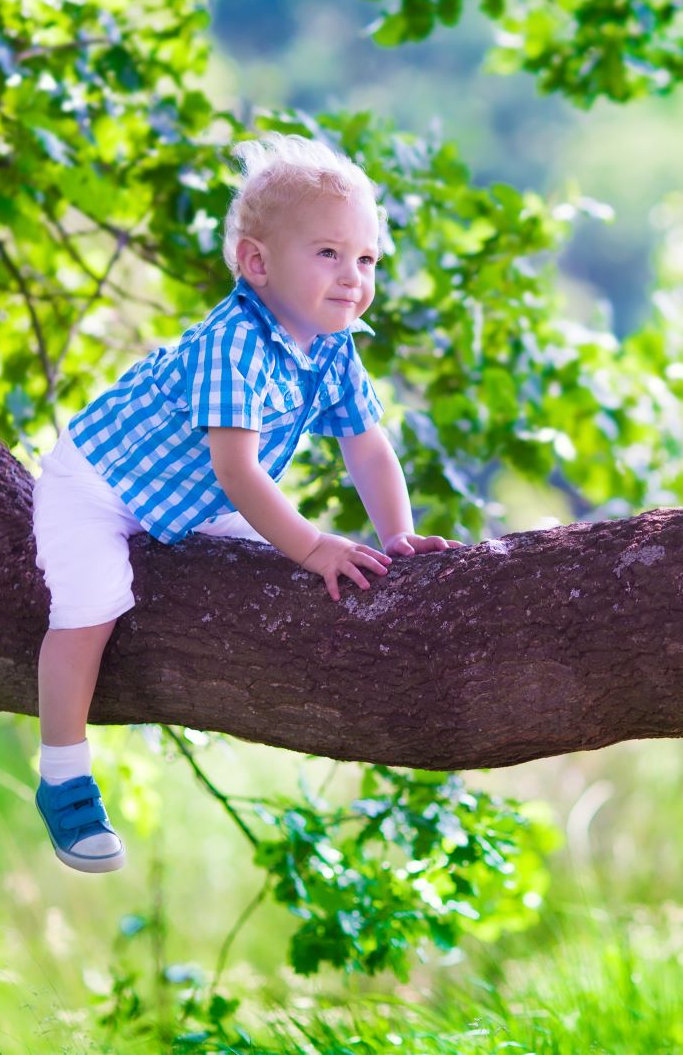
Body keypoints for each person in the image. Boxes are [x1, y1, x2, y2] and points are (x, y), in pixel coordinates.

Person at [29, 133, 462, 872]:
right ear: (257, 263)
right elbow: (237, 470)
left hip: (186, 496)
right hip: (99, 486)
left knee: (275, 571)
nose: (353, 277)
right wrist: (313, 543)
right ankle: (62, 773)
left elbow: (366, 444)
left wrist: (397, 534)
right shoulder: (234, 341)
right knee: (93, 601)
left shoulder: (332, 345)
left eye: (367, 260)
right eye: (328, 253)